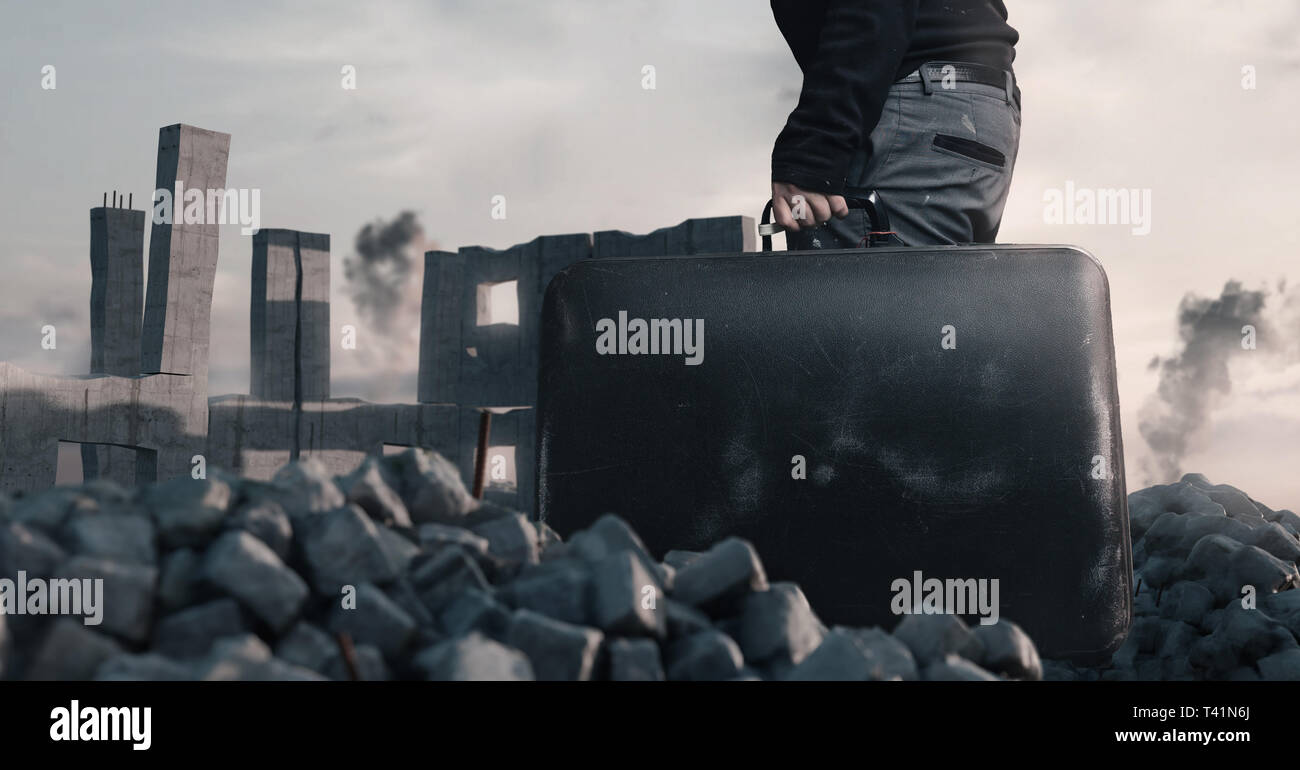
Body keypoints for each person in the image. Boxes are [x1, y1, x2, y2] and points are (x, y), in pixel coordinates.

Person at [770, 0, 1021, 248]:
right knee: (941, 285)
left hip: (912, 106)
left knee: (865, 285)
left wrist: (815, 148)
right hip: (975, 101)